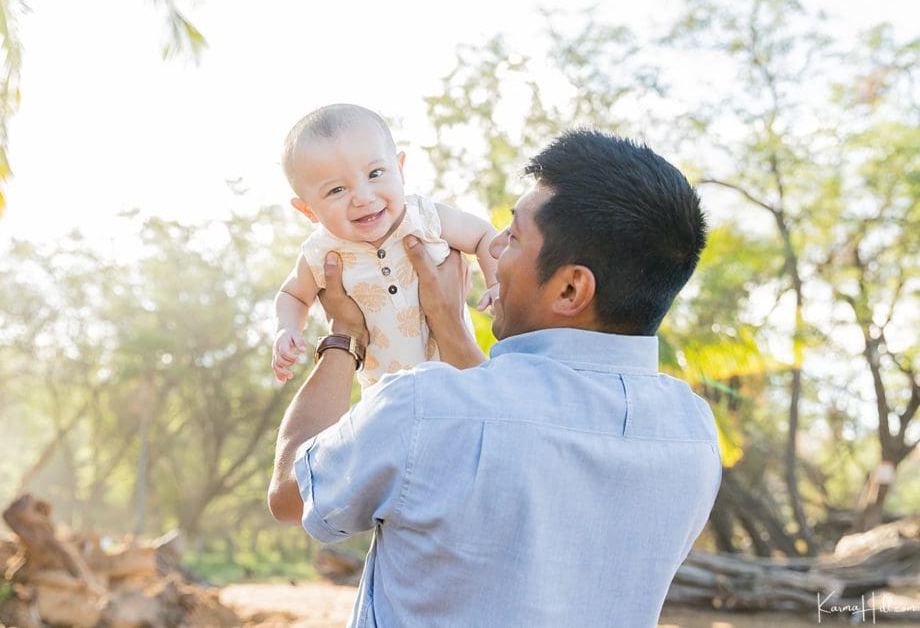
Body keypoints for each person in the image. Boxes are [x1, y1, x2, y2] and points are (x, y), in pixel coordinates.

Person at [268, 129, 721, 627]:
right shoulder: (694, 434)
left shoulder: (420, 408)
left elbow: (292, 493)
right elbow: (515, 426)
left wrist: (344, 337)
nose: (493, 247)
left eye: (513, 237)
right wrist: (448, 325)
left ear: (571, 287)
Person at [272, 103, 498, 387]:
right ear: (309, 211)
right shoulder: (321, 252)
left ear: (400, 169)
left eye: (375, 173)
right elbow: (292, 295)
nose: (363, 197)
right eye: (337, 190)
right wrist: (287, 328)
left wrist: (496, 284)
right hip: (388, 397)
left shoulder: (424, 217)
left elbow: (484, 236)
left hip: (459, 374)